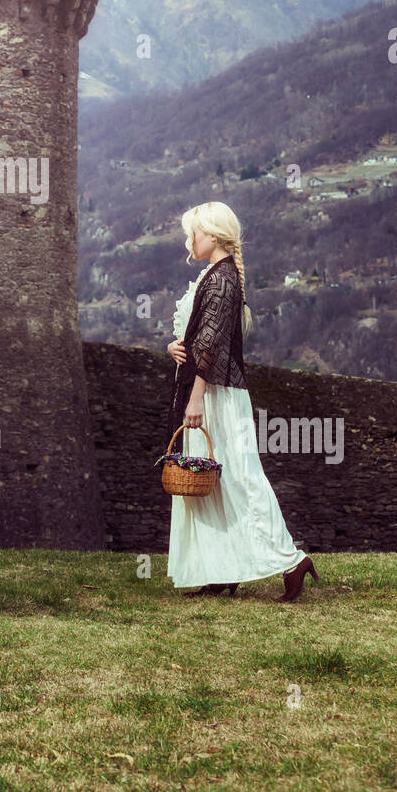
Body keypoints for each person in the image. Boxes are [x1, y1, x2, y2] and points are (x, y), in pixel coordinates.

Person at [164, 202, 320, 603]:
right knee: (211, 483)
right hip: (207, 390)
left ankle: (291, 561)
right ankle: (221, 568)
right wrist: (176, 346)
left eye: (194, 233)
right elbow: (200, 338)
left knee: (238, 477)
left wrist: (196, 399)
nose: (189, 240)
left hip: (214, 395)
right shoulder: (216, 276)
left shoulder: (222, 279)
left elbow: (213, 347)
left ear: (211, 236)